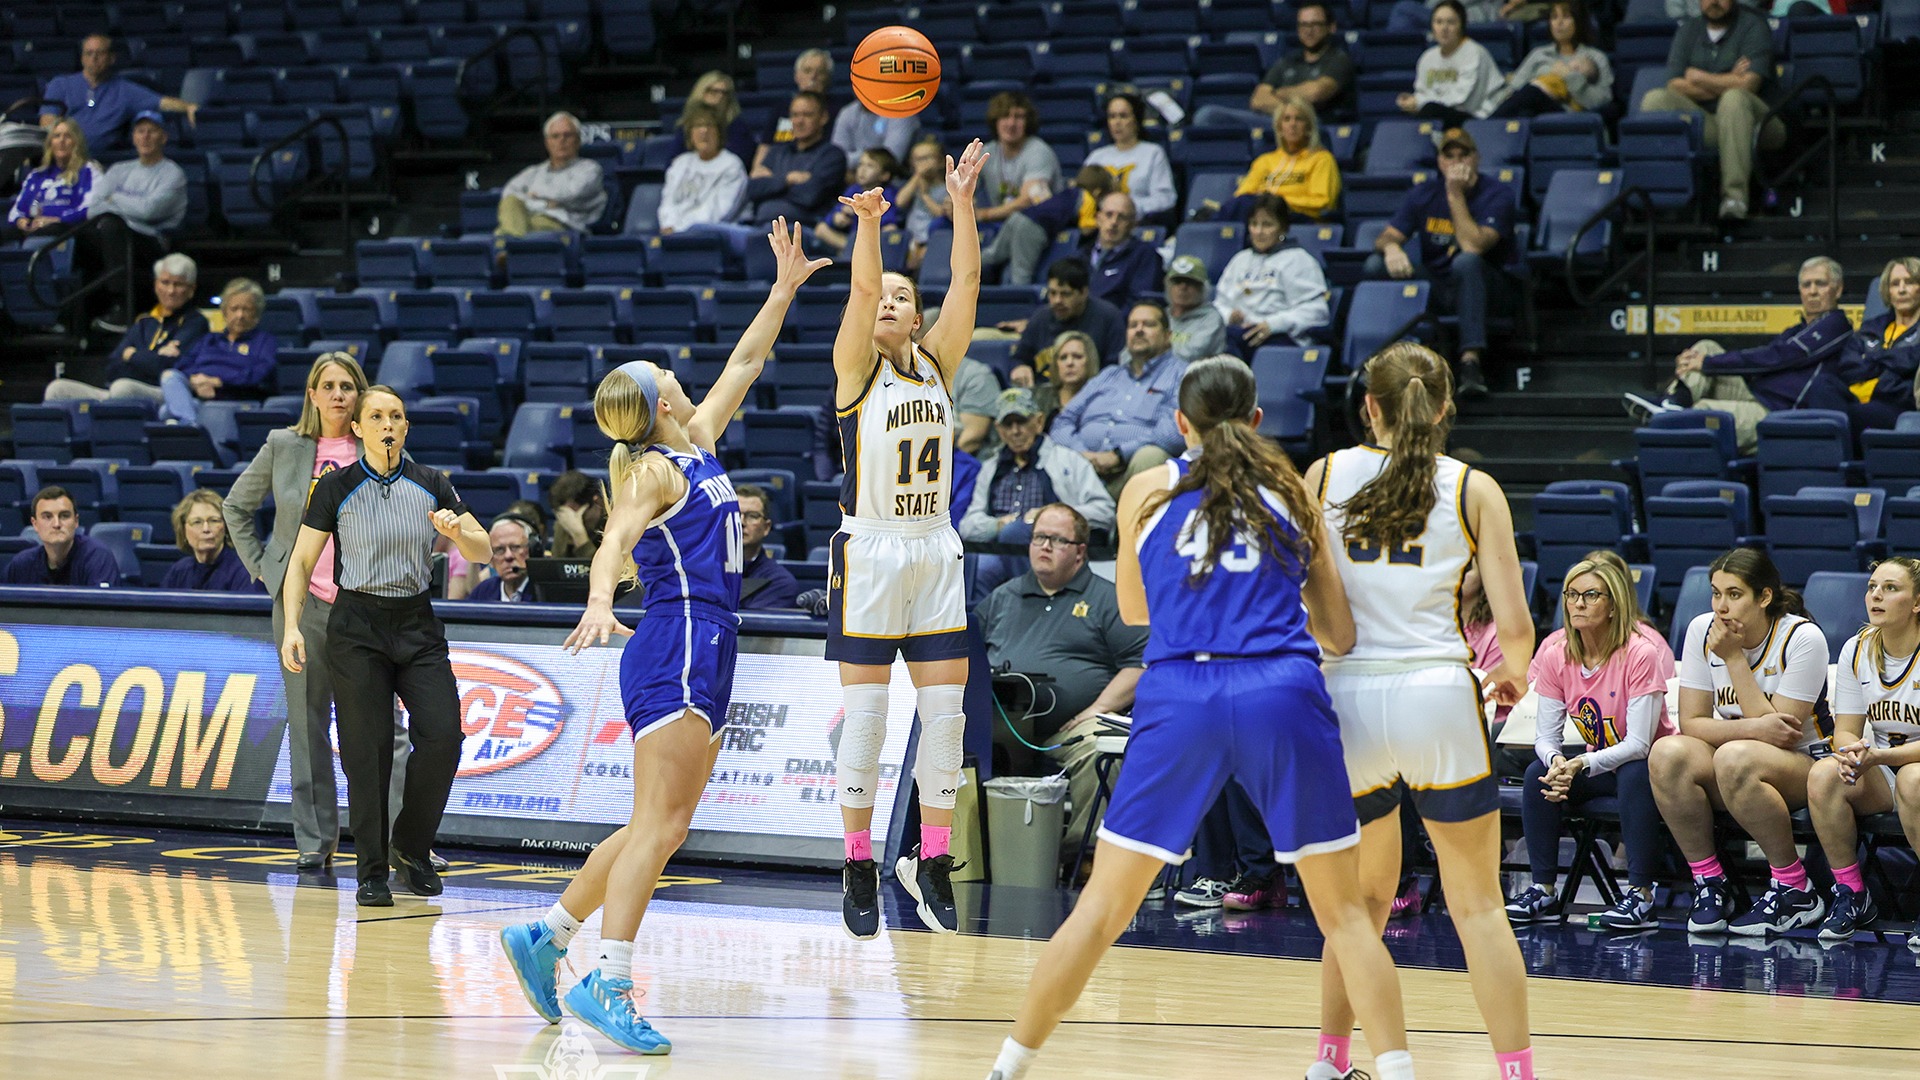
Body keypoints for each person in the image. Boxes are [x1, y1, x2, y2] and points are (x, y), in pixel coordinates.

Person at [984, 357, 1418, 1080]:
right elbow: (1339, 634)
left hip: (1182, 690)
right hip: (1280, 687)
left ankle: (1007, 1068)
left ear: (1180, 422)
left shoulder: (1147, 490)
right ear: (1256, 420)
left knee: (1100, 910)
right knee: (1345, 916)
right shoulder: (1292, 490)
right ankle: (1398, 1071)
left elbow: (1134, 611)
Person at [497, 221, 828, 1052]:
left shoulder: (697, 442)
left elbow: (745, 362)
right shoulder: (651, 468)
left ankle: (546, 936)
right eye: (663, 373)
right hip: (677, 637)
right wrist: (598, 596)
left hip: (710, 641)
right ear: (661, 401)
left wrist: (783, 289)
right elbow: (612, 537)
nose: (673, 372)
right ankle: (608, 982)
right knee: (657, 826)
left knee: (663, 823)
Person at [1306, 343, 1537, 1080]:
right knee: (1479, 907)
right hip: (1437, 695)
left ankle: (1330, 1063)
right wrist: (1512, 676)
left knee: (1358, 906)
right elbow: (1516, 628)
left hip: (1345, 696)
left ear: (1368, 405)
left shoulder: (1323, 475)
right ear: (1444, 408)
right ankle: (1516, 1073)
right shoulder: (1474, 488)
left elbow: (1304, 599)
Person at [827, 141, 988, 939]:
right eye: (883, 294)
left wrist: (961, 202)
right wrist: (870, 224)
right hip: (871, 551)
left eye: (902, 296)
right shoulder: (856, 368)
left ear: (918, 318)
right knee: (866, 721)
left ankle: (931, 858)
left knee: (947, 718)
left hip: (934, 547)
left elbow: (968, 281)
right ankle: (859, 859)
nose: (887, 300)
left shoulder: (939, 364)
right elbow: (861, 288)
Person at [279, 386, 492, 906]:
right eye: (375, 416)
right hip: (357, 626)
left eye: (395, 416)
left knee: (443, 735)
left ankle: (411, 848)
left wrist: (457, 534)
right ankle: (371, 870)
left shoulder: (432, 482)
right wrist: (291, 627)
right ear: (358, 429)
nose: (387, 424)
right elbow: (301, 562)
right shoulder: (335, 487)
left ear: (406, 427)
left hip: (416, 623)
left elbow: (483, 550)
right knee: (366, 751)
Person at [225, 351, 408, 872]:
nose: (337, 395)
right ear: (312, 394)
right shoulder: (284, 445)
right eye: (327, 386)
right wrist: (267, 569)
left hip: (367, 603)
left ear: (360, 395)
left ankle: (401, 841)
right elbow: (235, 507)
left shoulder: (378, 444)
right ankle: (315, 839)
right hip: (300, 605)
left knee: (387, 727)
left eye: (347, 386)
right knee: (307, 727)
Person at [1648, 547, 1832, 936]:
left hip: (1808, 766)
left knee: (1735, 757)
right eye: (1716, 593)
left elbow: (1782, 736)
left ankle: (1795, 887)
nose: (1721, 606)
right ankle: (1710, 882)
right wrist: (1755, 729)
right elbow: (1691, 724)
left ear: (1764, 597)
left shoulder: (1802, 637)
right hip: (1737, 762)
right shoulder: (1702, 629)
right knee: (1666, 753)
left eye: (1734, 594)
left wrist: (1733, 659)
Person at [1503, 557, 1677, 930]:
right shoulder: (1557, 654)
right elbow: (1546, 736)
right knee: (1538, 774)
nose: (1578, 603)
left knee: (1633, 772)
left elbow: (1639, 744)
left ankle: (1642, 896)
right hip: (1601, 766)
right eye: (1572, 594)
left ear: (1613, 605)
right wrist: (1556, 763)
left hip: (1656, 770)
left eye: (1591, 595)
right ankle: (1544, 890)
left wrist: (1580, 764)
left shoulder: (1640, 653)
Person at [976, 502, 1144, 846]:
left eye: (1057, 540)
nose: (1045, 547)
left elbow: (1142, 663)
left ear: (1080, 551)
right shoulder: (1002, 598)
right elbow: (968, 656)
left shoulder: (1108, 599)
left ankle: (1084, 855)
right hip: (1002, 725)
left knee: (1099, 748)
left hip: (1071, 727)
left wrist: (1098, 709)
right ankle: (965, 853)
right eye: (1039, 537)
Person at [1626, 257, 1854, 451]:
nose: (1812, 291)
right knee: (1706, 346)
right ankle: (1674, 402)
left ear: (1838, 290)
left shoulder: (1836, 325)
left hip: (1776, 410)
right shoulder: (1795, 330)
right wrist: (1700, 361)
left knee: (1702, 410)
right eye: (1806, 285)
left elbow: (1778, 356)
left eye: (1820, 284)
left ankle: (1669, 417)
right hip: (1754, 393)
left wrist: (1708, 364)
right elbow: (1764, 357)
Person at [1807, 557, 1920, 945]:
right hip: (1886, 769)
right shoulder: (1857, 648)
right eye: (1872, 587)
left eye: (1890, 588)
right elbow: (1846, 730)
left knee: (1914, 779)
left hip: (1908, 771)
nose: (1876, 595)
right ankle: (1852, 893)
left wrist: (1880, 757)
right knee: (1824, 774)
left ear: (1917, 602)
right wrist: (1850, 754)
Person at [1369, 127, 1519, 399]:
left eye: (1464, 154)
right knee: (1375, 265)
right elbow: (1387, 235)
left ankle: (1471, 363)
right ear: (1440, 161)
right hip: (1439, 285)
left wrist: (1455, 195)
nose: (1457, 162)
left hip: (1489, 289)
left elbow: (1473, 246)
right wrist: (1391, 248)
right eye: (1449, 156)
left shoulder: (1498, 194)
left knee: (1466, 262)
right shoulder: (1424, 193)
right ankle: (1384, 359)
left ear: (1477, 158)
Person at [961, 388, 1115, 599]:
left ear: (1039, 422)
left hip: (1055, 548)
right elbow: (967, 526)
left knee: (1014, 533)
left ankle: (1039, 602)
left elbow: (1105, 512)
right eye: (1008, 425)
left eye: (1022, 422)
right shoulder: (990, 469)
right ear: (999, 429)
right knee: (974, 568)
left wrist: (1052, 515)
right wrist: (996, 525)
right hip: (1000, 551)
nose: (1015, 431)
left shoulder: (1068, 461)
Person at [1639, 0, 1783, 220]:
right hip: (1714, 123)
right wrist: (1729, 79)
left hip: (1761, 125)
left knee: (1733, 98)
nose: (1714, 2)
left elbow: (1748, 85)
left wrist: (1700, 77)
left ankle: (1734, 198)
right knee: (1655, 100)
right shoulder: (1688, 30)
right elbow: (1675, 85)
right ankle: (1662, 197)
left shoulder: (1753, 26)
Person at [1050, 302, 1189, 499]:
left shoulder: (1181, 375)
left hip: (1130, 471)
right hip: (1084, 470)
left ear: (1168, 336)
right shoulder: (1108, 375)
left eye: (1148, 324)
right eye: (1133, 325)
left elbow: (1173, 433)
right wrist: (1081, 454)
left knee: (1151, 455)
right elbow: (1062, 422)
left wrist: (1119, 455)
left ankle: (1134, 518)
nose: (1139, 330)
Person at [43, 252, 206, 404]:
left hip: (165, 393)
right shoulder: (145, 322)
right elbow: (112, 366)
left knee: (122, 388)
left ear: (191, 290)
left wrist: (132, 355)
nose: (170, 291)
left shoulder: (196, 322)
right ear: (156, 285)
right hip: (119, 388)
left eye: (178, 285)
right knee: (57, 390)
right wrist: (152, 358)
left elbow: (165, 368)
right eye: (165, 282)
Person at [82, 110, 187, 332]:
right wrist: (126, 206)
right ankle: (75, 314)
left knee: (111, 225)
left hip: (154, 241)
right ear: (133, 137)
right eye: (140, 131)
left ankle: (123, 308)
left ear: (163, 137)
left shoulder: (173, 174)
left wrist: (115, 198)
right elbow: (93, 209)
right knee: (84, 234)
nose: (145, 136)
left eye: (152, 131)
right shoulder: (119, 170)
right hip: (117, 235)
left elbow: (149, 211)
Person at [1193, 1, 1356, 127]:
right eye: (1303, 25)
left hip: (1314, 125)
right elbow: (1258, 99)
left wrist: (1278, 93)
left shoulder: (1339, 59)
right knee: (1208, 115)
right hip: (1277, 122)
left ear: (1331, 27)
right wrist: (1289, 113)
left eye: (1315, 24)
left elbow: (1316, 92)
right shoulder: (1287, 61)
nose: (1308, 30)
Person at [1213, 194, 1331, 357]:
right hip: (1239, 333)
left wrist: (1273, 324)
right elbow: (1219, 304)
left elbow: (1316, 312)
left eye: (1267, 225)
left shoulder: (1299, 260)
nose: (1259, 232)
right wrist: (1228, 316)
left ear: (1283, 228)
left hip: (1279, 337)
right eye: (1254, 224)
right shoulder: (1240, 260)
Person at [37, 36, 198, 154]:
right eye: (89, 53)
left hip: (104, 161)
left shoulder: (125, 90)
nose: (94, 58)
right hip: (65, 158)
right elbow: (47, 124)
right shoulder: (60, 85)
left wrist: (188, 107)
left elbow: (162, 102)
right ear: (82, 58)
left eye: (100, 53)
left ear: (111, 58)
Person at [155, 277, 276, 425]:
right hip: (201, 396)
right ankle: (190, 424)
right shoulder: (210, 339)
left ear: (256, 313)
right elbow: (182, 365)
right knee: (170, 376)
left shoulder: (264, 341)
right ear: (224, 312)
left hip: (235, 400)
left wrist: (219, 382)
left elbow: (260, 374)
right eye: (234, 309)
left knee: (167, 412)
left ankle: (189, 426)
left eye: (246, 309)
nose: (240, 315)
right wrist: (196, 381)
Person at [978, 164, 1115, 287]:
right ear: (1097, 192)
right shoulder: (1088, 199)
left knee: (992, 255)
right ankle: (1018, 303)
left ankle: (965, 266)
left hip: (1017, 217)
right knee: (1021, 274)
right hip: (1032, 227)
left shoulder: (1068, 191)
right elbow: (1087, 229)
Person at [1837, 256, 1920, 433]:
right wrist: (1890, 364)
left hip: (1897, 407)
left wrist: (1871, 360)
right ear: (1887, 291)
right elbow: (1847, 367)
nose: (1902, 290)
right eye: (1895, 284)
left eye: (1910, 282)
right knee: (1823, 385)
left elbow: (1913, 364)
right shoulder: (1871, 328)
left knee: (1851, 415)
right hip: (1858, 398)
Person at [1488, 1, 1613, 118]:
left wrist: (1570, 77)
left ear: (1578, 21)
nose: (1559, 23)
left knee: (1533, 92)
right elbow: (1513, 88)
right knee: (1526, 104)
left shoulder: (1595, 57)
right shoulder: (1539, 54)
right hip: (1532, 116)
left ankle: (1487, 125)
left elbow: (1602, 101)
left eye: (1566, 17)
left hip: (1570, 117)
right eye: (1554, 17)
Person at [1225, 96, 1341, 223]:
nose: (1292, 124)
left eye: (1299, 119)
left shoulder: (1322, 159)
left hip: (1298, 219)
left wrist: (1277, 201)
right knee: (1241, 204)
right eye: (1287, 119)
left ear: (1309, 127)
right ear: (1279, 128)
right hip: (1261, 218)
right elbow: (1242, 195)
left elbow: (1323, 202)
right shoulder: (1264, 160)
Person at [1008, 258, 1126, 381]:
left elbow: (1115, 370)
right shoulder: (1040, 318)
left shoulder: (1108, 318)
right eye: (1052, 293)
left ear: (1084, 293)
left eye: (1065, 294)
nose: (1057, 301)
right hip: (1044, 390)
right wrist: (1020, 367)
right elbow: (1019, 358)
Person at [742, 91, 845, 228]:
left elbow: (809, 196)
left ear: (823, 118)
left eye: (807, 115)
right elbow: (752, 189)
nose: (799, 121)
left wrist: (772, 181)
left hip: (803, 229)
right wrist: (788, 179)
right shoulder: (777, 151)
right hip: (759, 227)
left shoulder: (832, 155)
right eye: (795, 115)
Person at [496, 111, 606, 237]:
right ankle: (513, 241)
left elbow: (571, 193)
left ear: (578, 140)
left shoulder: (590, 169)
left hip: (566, 225)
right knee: (510, 202)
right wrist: (544, 203)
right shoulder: (534, 172)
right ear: (547, 142)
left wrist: (535, 195)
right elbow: (509, 192)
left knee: (504, 233)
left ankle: (509, 243)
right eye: (555, 136)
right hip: (529, 219)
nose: (561, 140)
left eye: (567, 135)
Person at [1399, 2, 1504, 126]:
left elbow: (1463, 101)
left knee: (1430, 110)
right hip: (1440, 114)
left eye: (1451, 22)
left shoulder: (1474, 53)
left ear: (1461, 26)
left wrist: (1420, 103)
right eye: (1438, 22)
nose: (1444, 28)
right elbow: (1422, 92)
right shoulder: (1427, 57)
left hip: (1478, 118)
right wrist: (1412, 101)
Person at [1, 118, 102, 247]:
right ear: (50, 143)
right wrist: (21, 221)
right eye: (56, 136)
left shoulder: (89, 170)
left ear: (77, 142)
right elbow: (18, 210)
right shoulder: (37, 175)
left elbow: (93, 207)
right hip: (37, 227)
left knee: (42, 236)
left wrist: (57, 220)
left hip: (71, 229)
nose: (61, 140)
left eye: (68, 136)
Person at [1081, 93, 1175, 226]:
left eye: (1123, 116)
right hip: (1100, 226)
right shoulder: (1097, 156)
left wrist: (1126, 207)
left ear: (1136, 120)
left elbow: (1166, 199)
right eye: (1112, 116)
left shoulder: (1153, 153)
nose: (1117, 122)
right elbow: (1081, 195)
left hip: (1137, 223)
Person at [0, 486, 118, 587]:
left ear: (76, 521)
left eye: (64, 516)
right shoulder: (21, 565)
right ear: (35, 524)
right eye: (47, 517)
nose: (56, 524)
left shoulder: (98, 558)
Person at [657, 104, 746, 236]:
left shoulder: (732, 165)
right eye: (698, 126)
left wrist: (679, 230)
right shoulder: (680, 163)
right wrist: (669, 225)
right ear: (690, 133)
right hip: (673, 234)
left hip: (711, 236)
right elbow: (668, 202)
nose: (704, 131)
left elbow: (719, 212)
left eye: (710, 125)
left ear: (719, 132)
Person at [976, 92, 1062, 227]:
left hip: (1036, 224)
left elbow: (1028, 200)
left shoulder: (1039, 151)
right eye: (1005, 116)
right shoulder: (986, 151)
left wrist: (983, 214)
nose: (1011, 123)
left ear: (1027, 122)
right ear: (995, 121)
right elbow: (965, 187)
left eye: (1018, 117)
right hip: (1000, 223)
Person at [751, 48, 835, 168]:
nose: (813, 76)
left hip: (816, 166)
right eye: (807, 71)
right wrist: (758, 170)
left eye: (820, 72)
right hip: (778, 167)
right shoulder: (782, 107)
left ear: (828, 77)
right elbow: (765, 146)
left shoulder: (836, 111)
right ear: (796, 76)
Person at [159, 488, 256, 591]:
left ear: (226, 527)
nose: (206, 529)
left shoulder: (244, 572)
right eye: (197, 522)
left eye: (214, 521)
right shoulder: (179, 571)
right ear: (183, 530)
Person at [1078, 192, 1161, 311]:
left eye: (1122, 217)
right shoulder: (1081, 254)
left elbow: (1139, 303)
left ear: (1133, 224)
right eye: (1109, 215)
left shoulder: (1145, 256)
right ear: (1098, 218)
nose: (1114, 222)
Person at [813, 147, 900, 257]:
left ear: (884, 175)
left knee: (890, 230)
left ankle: (853, 250)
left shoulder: (887, 194)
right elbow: (834, 213)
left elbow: (888, 223)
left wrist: (860, 214)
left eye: (870, 166)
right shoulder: (853, 190)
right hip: (849, 238)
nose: (862, 170)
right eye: (860, 164)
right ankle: (851, 248)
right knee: (821, 228)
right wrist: (837, 218)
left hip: (871, 242)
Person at [735, 483, 801, 610]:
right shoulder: (701, 571)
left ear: (766, 527)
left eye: (752, 516)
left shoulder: (780, 583)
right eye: (734, 514)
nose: (741, 522)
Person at [896, 135, 950, 270]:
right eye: (917, 159)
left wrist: (925, 196)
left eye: (926, 158)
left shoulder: (947, 187)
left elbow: (941, 214)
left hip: (933, 240)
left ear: (940, 161)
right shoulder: (914, 184)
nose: (922, 163)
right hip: (912, 240)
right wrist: (918, 176)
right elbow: (899, 202)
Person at [1163, 256, 1227, 364]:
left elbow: (1190, 356)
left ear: (1203, 288)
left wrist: (1152, 351)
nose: (1183, 287)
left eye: (1190, 282)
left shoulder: (1212, 320)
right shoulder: (1162, 315)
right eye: (1177, 281)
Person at [679, 69, 748, 161]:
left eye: (724, 93)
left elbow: (741, 158)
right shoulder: (686, 126)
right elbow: (673, 160)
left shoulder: (737, 127)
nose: (720, 97)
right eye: (714, 91)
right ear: (701, 92)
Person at [467, 514, 538, 602]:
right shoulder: (483, 591)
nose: (508, 556)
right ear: (491, 559)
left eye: (515, 547)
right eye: (499, 550)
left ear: (532, 550)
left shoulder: (545, 592)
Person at [1033, 330, 1101, 418]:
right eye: (1063, 358)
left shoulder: (1101, 400)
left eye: (1077, 356)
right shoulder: (1039, 397)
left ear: (1090, 361)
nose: (1069, 363)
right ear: (1056, 364)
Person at [831, 97, 918, 166]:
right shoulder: (848, 112)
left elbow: (890, 159)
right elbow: (836, 157)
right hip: (854, 174)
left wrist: (853, 163)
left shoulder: (901, 113)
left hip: (895, 177)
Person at [549, 470, 606, 559]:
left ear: (597, 502)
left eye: (577, 516)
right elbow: (557, 565)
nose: (573, 523)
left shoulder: (614, 524)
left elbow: (606, 566)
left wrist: (581, 539)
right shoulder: (565, 522)